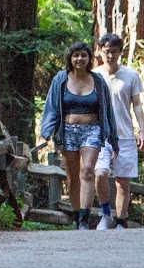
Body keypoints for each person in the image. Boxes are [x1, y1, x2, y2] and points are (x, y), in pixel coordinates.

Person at [38, 41, 121, 229]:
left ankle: (84, 219)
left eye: (84, 55)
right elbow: (51, 106)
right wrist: (47, 131)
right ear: (70, 58)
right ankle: (77, 217)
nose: (79, 59)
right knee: (73, 177)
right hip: (67, 131)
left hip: (92, 130)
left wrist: (113, 139)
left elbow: (108, 111)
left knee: (88, 171)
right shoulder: (61, 79)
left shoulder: (98, 81)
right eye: (76, 55)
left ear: (89, 58)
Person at [92, 32, 144, 230]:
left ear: (120, 52)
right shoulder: (94, 76)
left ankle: (121, 220)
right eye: (106, 51)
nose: (110, 56)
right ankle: (105, 213)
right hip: (100, 134)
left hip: (125, 134)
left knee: (122, 181)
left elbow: (137, 104)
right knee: (100, 173)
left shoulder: (130, 75)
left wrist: (142, 131)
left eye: (114, 51)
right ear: (100, 51)